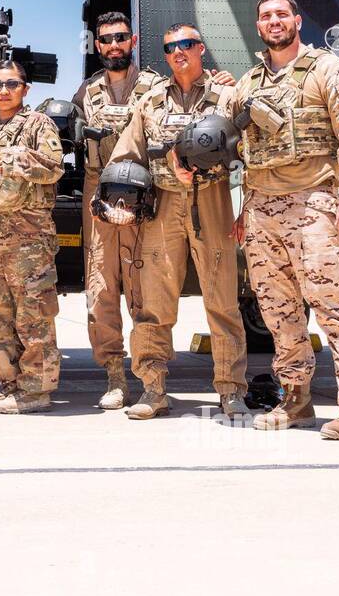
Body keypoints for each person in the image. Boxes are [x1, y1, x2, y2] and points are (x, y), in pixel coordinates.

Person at [227, 0, 339, 440]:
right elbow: (244, 150)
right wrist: (243, 209)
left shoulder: (326, 70)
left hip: (312, 202)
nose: (274, 22)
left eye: (281, 15)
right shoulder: (249, 83)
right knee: (278, 311)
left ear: (296, 20)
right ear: (258, 27)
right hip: (260, 210)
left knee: (333, 306)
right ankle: (296, 399)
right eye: (265, 16)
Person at [104, 23, 249, 421]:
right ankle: (153, 389)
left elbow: (253, 153)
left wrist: (246, 208)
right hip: (164, 206)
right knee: (154, 303)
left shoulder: (229, 95)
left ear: (200, 48)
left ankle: (231, 391)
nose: (178, 52)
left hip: (213, 202)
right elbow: (125, 153)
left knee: (222, 302)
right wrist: (121, 200)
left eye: (186, 44)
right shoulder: (150, 101)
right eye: (170, 48)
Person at [71, 12, 165, 409]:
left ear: (133, 40)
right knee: (101, 285)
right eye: (106, 39)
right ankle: (114, 375)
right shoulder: (86, 92)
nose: (114, 45)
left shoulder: (155, 87)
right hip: (99, 194)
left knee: (145, 287)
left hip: (143, 193)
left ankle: (151, 378)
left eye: (120, 38)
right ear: (97, 46)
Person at [0, 60, 64, 413]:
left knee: (33, 314)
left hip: (28, 240)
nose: (3, 91)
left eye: (11, 84)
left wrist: (17, 160)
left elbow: (55, 168)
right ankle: (10, 386)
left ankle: (36, 389)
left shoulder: (37, 124)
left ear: (25, 88)